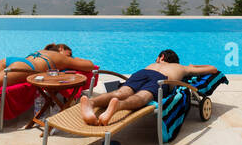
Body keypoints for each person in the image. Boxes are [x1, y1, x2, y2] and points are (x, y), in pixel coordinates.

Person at [80, 50, 218, 125]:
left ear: (161, 57)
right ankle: (118, 106)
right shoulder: (181, 67)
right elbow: (213, 69)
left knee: (122, 91)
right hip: (161, 79)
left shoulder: (153, 64)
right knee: (142, 97)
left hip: (143, 73)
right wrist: (193, 67)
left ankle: (91, 102)